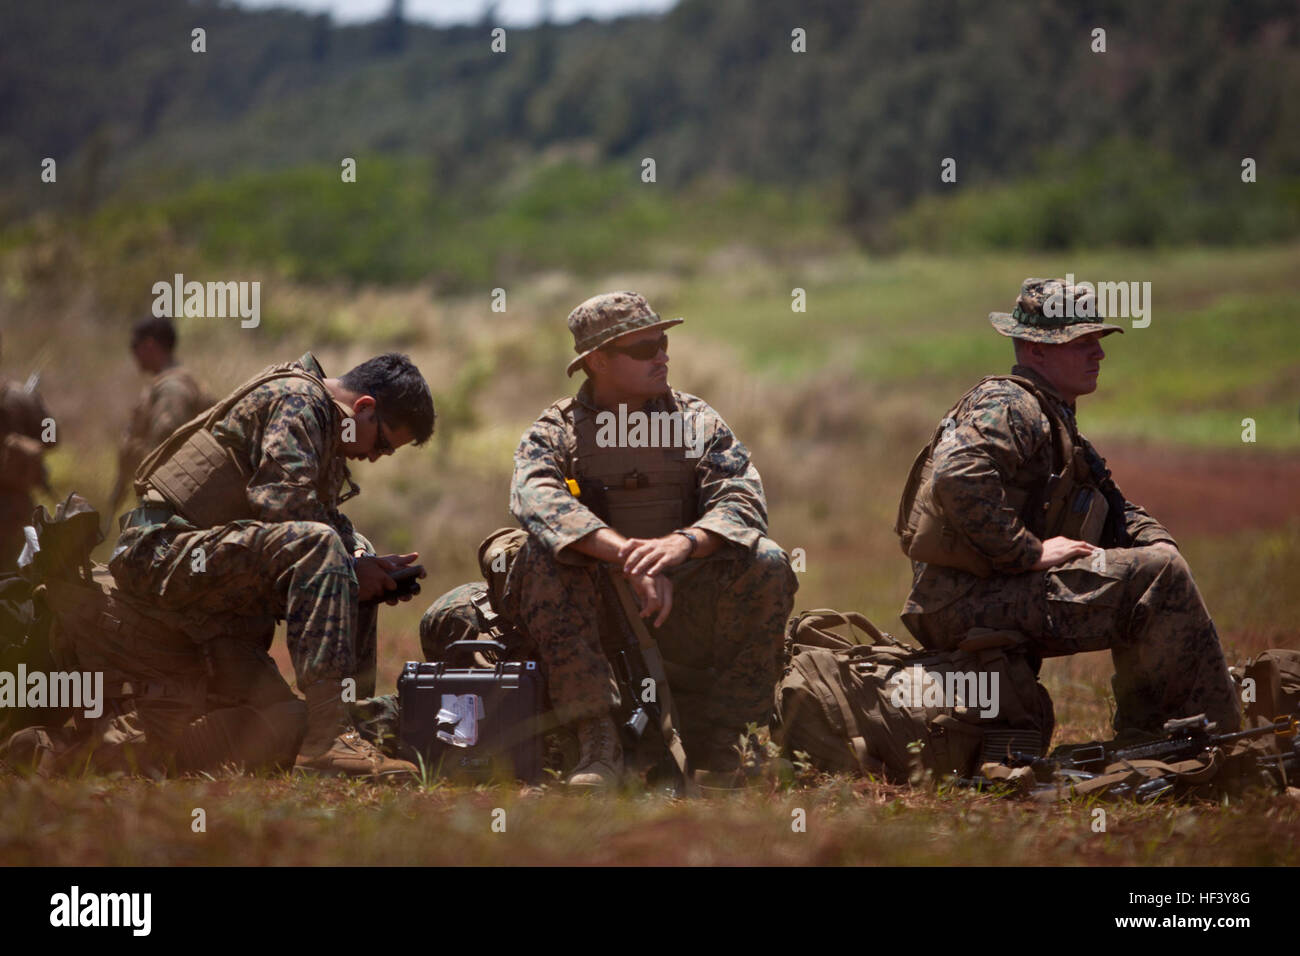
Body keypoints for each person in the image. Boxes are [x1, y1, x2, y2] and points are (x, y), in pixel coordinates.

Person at [898, 278, 1240, 735]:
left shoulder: (1052, 416)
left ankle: (1165, 738)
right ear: (1034, 349)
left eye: (1097, 341)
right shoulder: (1011, 405)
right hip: (960, 602)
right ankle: (1213, 744)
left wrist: (1162, 546)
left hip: (979, 595)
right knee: (1156, 579)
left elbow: (1114, 510)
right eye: (1081, 342)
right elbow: (957, 476)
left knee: (1159, 568)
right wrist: (1029, 552)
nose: (1098, 354)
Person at [503, 291, 797, 788]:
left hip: (683, 597)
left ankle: (733, 739)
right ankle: (597, 741)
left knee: (766, 561)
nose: (662, 356)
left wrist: (681, 546)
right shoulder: (557, 429)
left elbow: (742, 499)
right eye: (643, 350)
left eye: (662, 343)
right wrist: (626, 556)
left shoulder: (694, 420)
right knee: (538, 555)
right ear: (597, 361)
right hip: (596, 606)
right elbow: (536, 500)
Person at [106, 350, 436, 777]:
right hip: (160, 552)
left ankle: (350, 726)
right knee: (322, 546)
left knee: (350, 548)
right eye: (384, 444)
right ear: (365, 408)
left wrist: (364, 561)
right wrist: (351, 567)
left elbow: (322, 517)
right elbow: (281, 505)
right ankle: (327, 738)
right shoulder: (300, 399)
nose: (377, 457)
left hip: (201, 555)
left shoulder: (327, 422)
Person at [108, 316, 212, 516]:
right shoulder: (167, 385)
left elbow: (165, 450)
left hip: (173, 501)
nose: (133, 353)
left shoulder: (172, 389)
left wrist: (132, 454)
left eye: (134, 345)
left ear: (149, 345)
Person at [0, 331, 54, 570]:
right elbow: (52, 437)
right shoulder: (19, 396)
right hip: (15, 508)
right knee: (18, 582)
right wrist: (40, 409)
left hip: (14, 507)